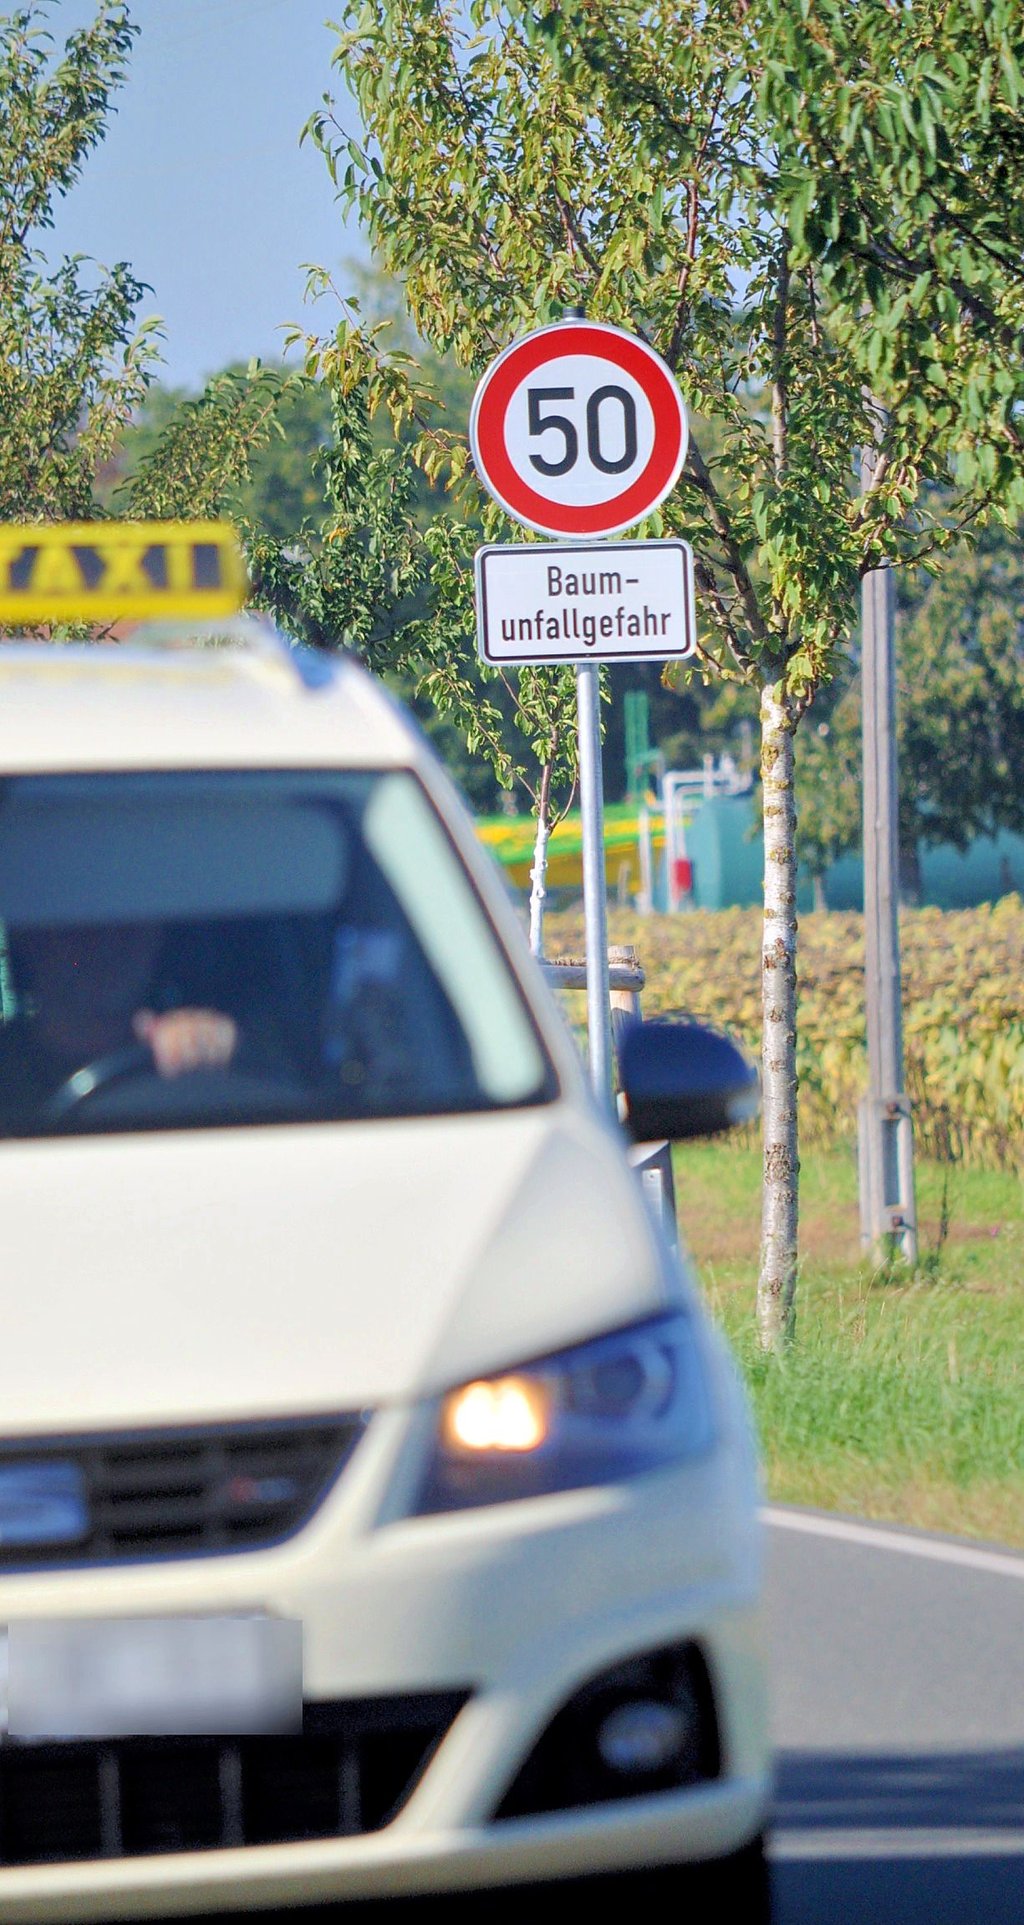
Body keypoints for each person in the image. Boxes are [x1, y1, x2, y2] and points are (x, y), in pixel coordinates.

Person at [0, 920, 238, 1119]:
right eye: (79, 925)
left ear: (158, 936)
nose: (106, 943)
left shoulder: (189, 1056)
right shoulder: (7, 1076)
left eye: (128, 923)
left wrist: (210, 1053)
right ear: (27, 939)